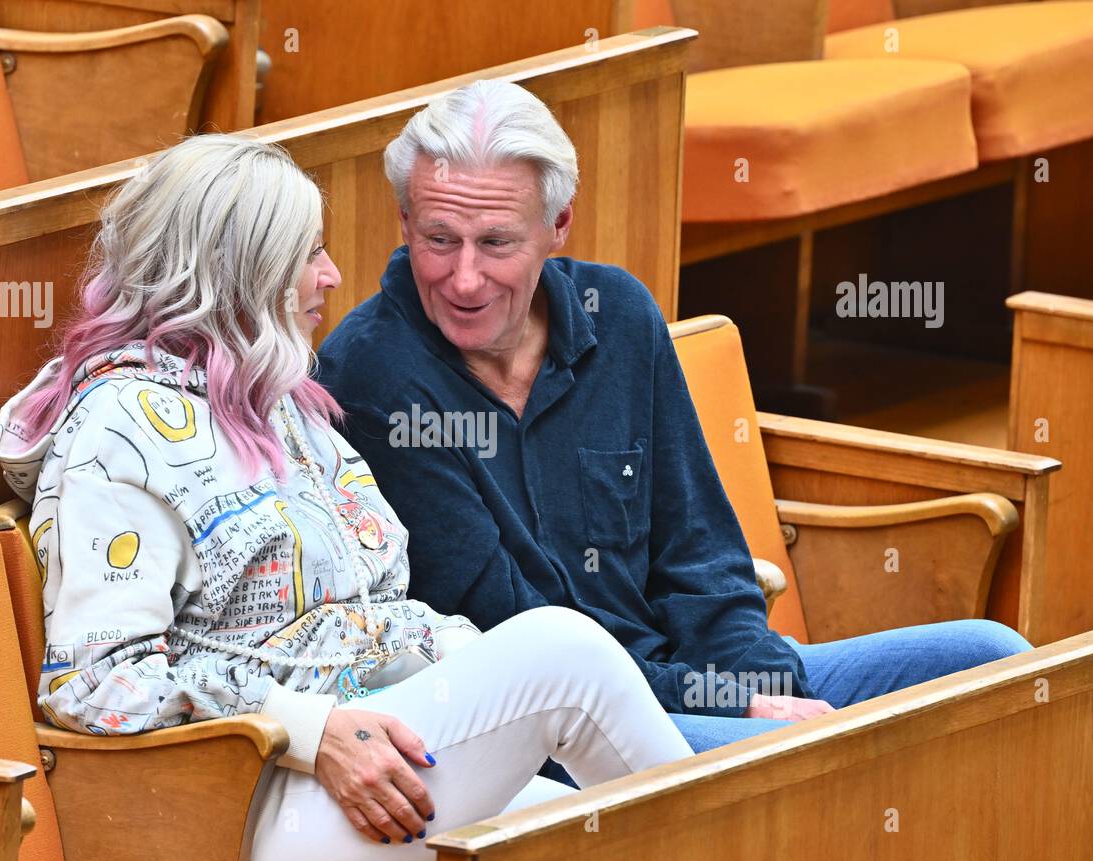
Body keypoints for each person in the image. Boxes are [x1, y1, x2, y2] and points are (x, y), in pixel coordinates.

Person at [0, 134, 694, 861]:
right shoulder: (121, 427)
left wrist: (462, 659)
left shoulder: (279, 402)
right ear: (240, 272)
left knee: (586, 833)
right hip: (245, 808)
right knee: (565, 650)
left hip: (371, 753)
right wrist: (306, 727)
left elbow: (374, 609)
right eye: (307, 255)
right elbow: (96, 684)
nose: (331, 275)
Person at [315, 79, 1033, 759]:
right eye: (439, 240)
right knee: (790, 755)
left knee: (993, 660)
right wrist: (727, 703)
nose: (463, 278)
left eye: (496, 242)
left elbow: (701, 554)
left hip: (691, 680)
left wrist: (757, 684)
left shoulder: (618, 313)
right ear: (405, 221)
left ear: (557, 224)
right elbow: (513, 637)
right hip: (551, 724)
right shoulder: (376, 375)